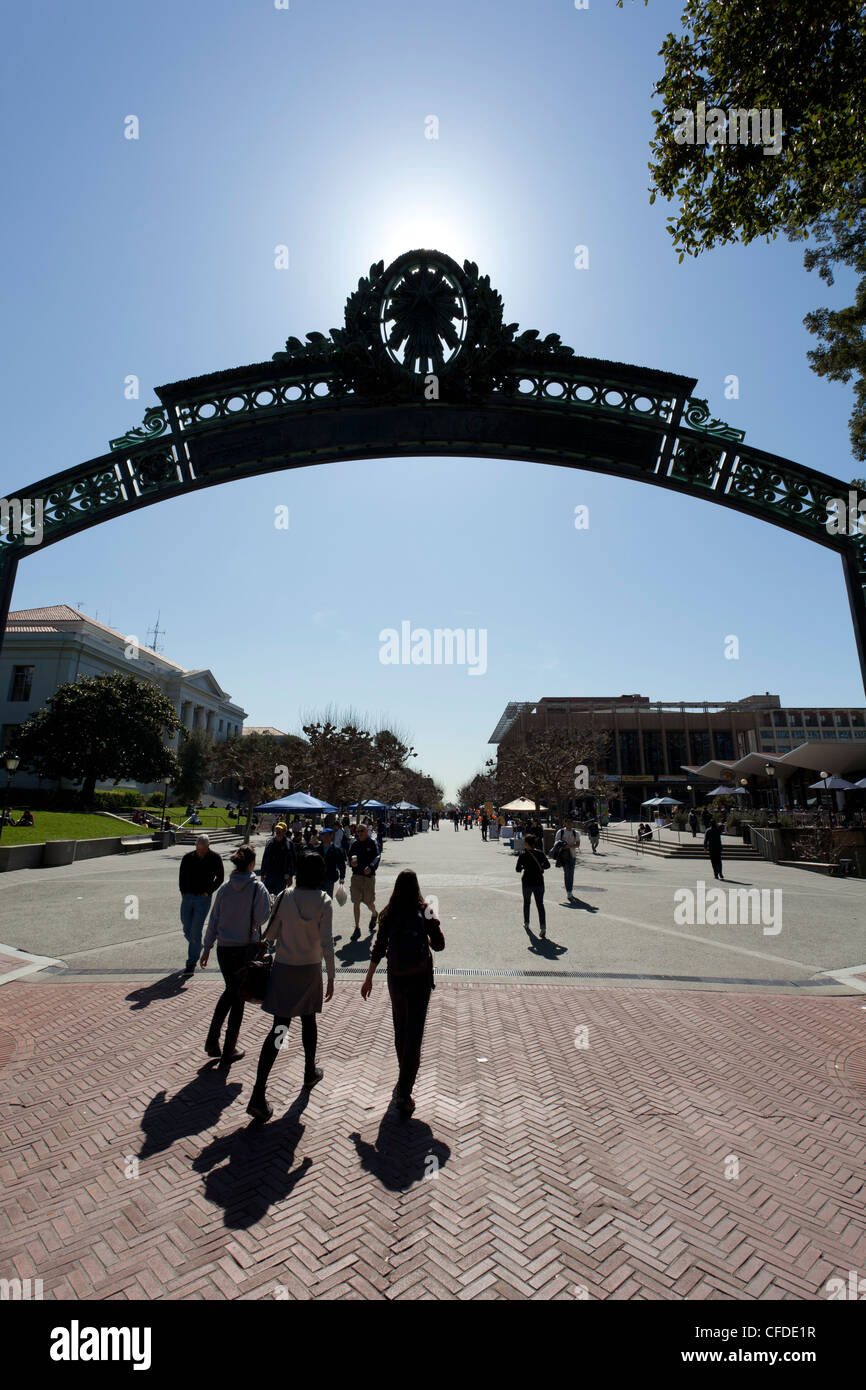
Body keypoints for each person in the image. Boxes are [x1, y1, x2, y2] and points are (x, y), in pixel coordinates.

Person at [247, 852, 335, 1121]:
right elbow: (327, 943)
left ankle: (259, 1091)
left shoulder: (285, 896)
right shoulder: (324, 901)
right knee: (309, 1021)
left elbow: (270, 935)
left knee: (279, 1028)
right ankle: (309, 1070)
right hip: (309, 969)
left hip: (284, 968)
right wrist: (331, 975)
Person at [360, 869, 445, 1118]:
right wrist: (426, 940)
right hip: (419, 975)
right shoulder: (425, 909)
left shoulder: (389, 912)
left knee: (401, 1026)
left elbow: (378, 947)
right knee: (415, 1032)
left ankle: (403, 1076)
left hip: (396, 976)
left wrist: (368, 978)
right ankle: (405, 1090)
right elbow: (439, 944)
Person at [200, 845, 271, 1063]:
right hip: (245, 948)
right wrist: (271, 902)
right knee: (238, 995)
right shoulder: (258, 888)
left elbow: (214, 919)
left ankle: (214, 1041)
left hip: (224, 949)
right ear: (251, 864)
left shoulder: (224, 888)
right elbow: (262, 918)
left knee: (231, 992)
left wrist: (207, 947)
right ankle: (226, 1046)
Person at [178, 834, 225, 975]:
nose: (201, 852)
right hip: (188, 896)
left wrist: (208, 891)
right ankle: (197, 946)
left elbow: (220, 877)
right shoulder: (188, 858)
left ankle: (191, 963)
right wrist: (183, 891)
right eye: (199, 849)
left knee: (195, 930)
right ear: (195, 846)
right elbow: (182, 875)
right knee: (186, 927)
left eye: (203, 850)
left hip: (203, 898)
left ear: (208, 847)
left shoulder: (215, 858)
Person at [348, 823, 380, 941]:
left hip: (368, 877)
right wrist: (351, 862)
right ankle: (357, 928)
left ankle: (374, 913)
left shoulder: (372, 843)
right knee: (356, 901)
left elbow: (377, 856)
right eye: (358, 831)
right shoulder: (354, 844)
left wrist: (371, 867)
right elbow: (350, 856)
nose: (360, 833)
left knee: (368, 902)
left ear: (367, 831)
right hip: (356, 876)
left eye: (362, 831)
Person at [515, 833, 550, 937]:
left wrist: (522, 867)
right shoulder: (540, 853)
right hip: (539, 881)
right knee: (540, 904)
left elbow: (517, 869)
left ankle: (526, 922)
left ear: (526, 843)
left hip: (527, 881)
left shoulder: (523, 855)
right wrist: (541, 866)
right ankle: (543, 926)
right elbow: (547, 865)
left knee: (527, 902)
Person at [260, 821, 295, 897]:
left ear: (285, 831)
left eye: (280, 829)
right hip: (269, 875)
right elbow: (265, 858)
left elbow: (292, 861)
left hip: (282, 876)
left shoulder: (289, 844)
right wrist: (262, 873)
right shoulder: (270, 843)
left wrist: (291, 876)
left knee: (279, 898)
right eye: (277, 829)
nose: (278, 831)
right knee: (266, 897)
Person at [552, 818, 581, 898]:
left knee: (571, 874)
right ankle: (568, 890)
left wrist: (569, 846)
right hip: (563, 856)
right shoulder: (560, 832)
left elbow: (578, 844)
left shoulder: (576, 833)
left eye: (570, 822)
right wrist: (563, 846)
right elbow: (556, 843)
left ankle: (570, 890)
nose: (569, 824)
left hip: (572, 855)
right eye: (567, 822)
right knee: (567, 873)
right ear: (565, 823)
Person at [319, 826, 346, 901]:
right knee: (317, 900)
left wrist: (342, 877)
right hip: (318, 878)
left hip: (330, 878)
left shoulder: (336, 850)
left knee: (327, 899)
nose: (325, 837)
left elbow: (342, 865)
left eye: (327, 835)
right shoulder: (318, 849)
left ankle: (327, 912)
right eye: (323, 835)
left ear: (331, 836)